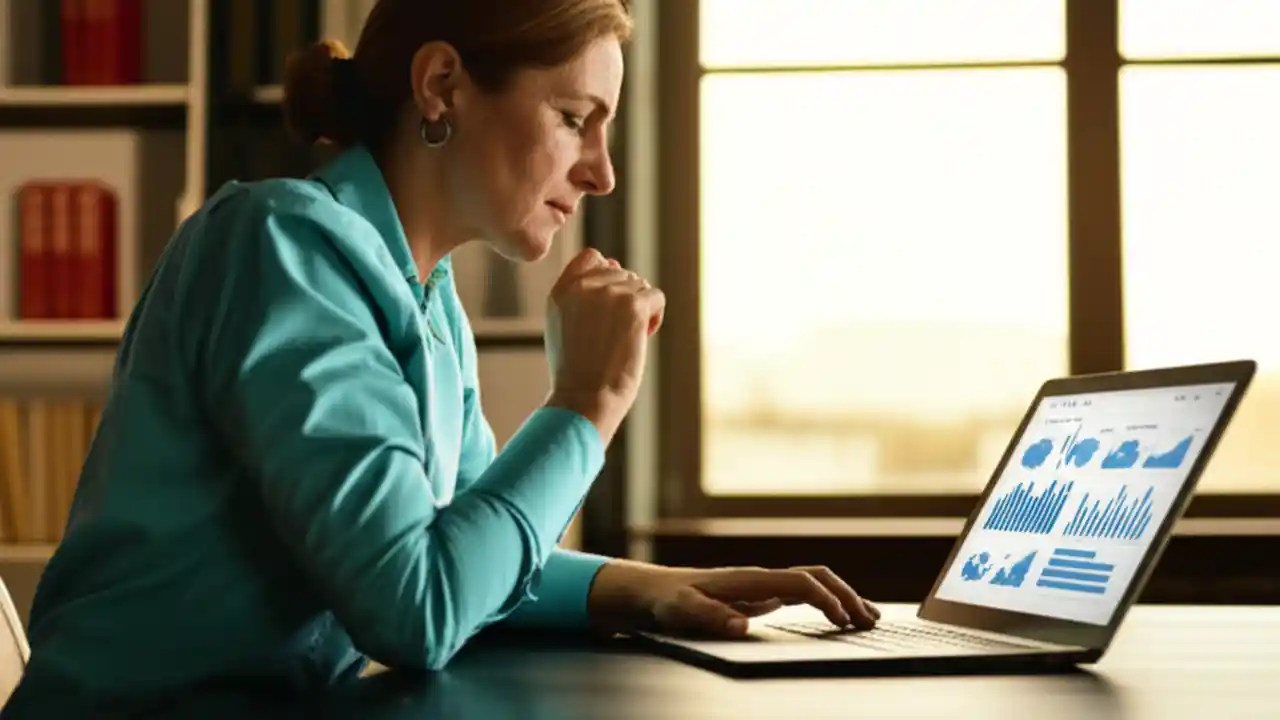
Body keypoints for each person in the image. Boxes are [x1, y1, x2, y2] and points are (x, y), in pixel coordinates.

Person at [1, 0, 878, 715]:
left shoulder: (429, 301)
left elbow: (470, 558)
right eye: (576, 120)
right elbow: (418, 605)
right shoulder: (281, 249)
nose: (602, 172)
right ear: (443, 85)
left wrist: (659, 588)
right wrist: (587, 400)